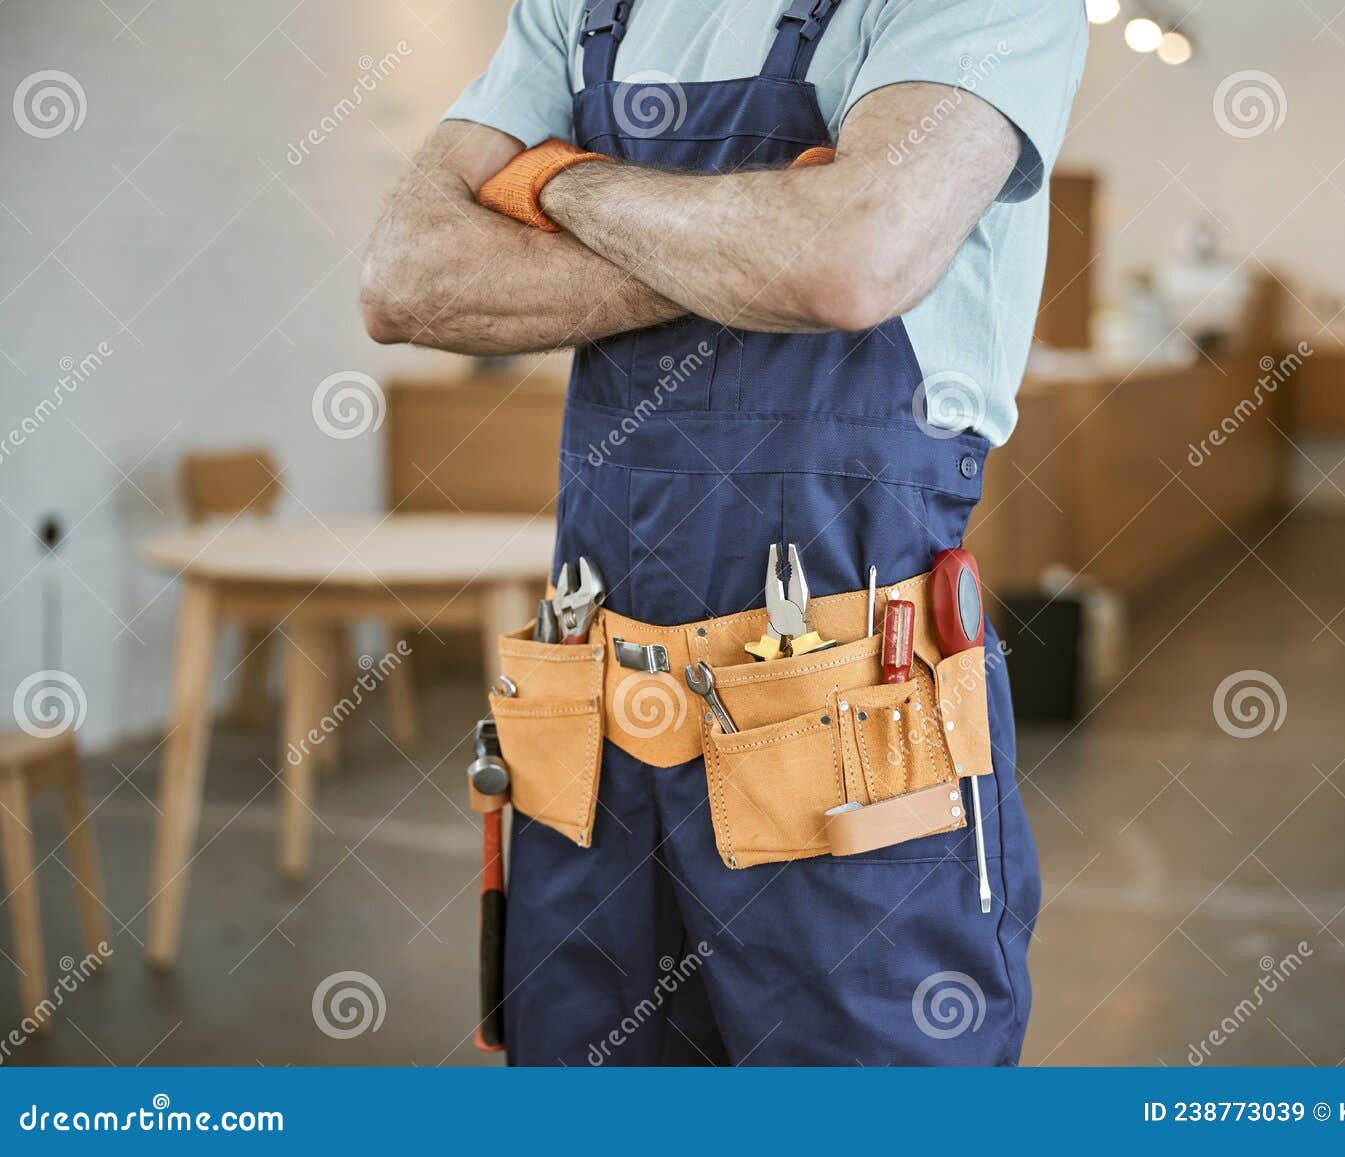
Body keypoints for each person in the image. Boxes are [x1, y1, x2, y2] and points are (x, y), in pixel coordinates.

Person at [362, 0, 1087, 1066]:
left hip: (846, 755)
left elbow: (850, 259)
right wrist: (756, 246)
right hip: (592, 750)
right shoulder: (572, 9)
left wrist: (559, 180)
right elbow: (406, 277)